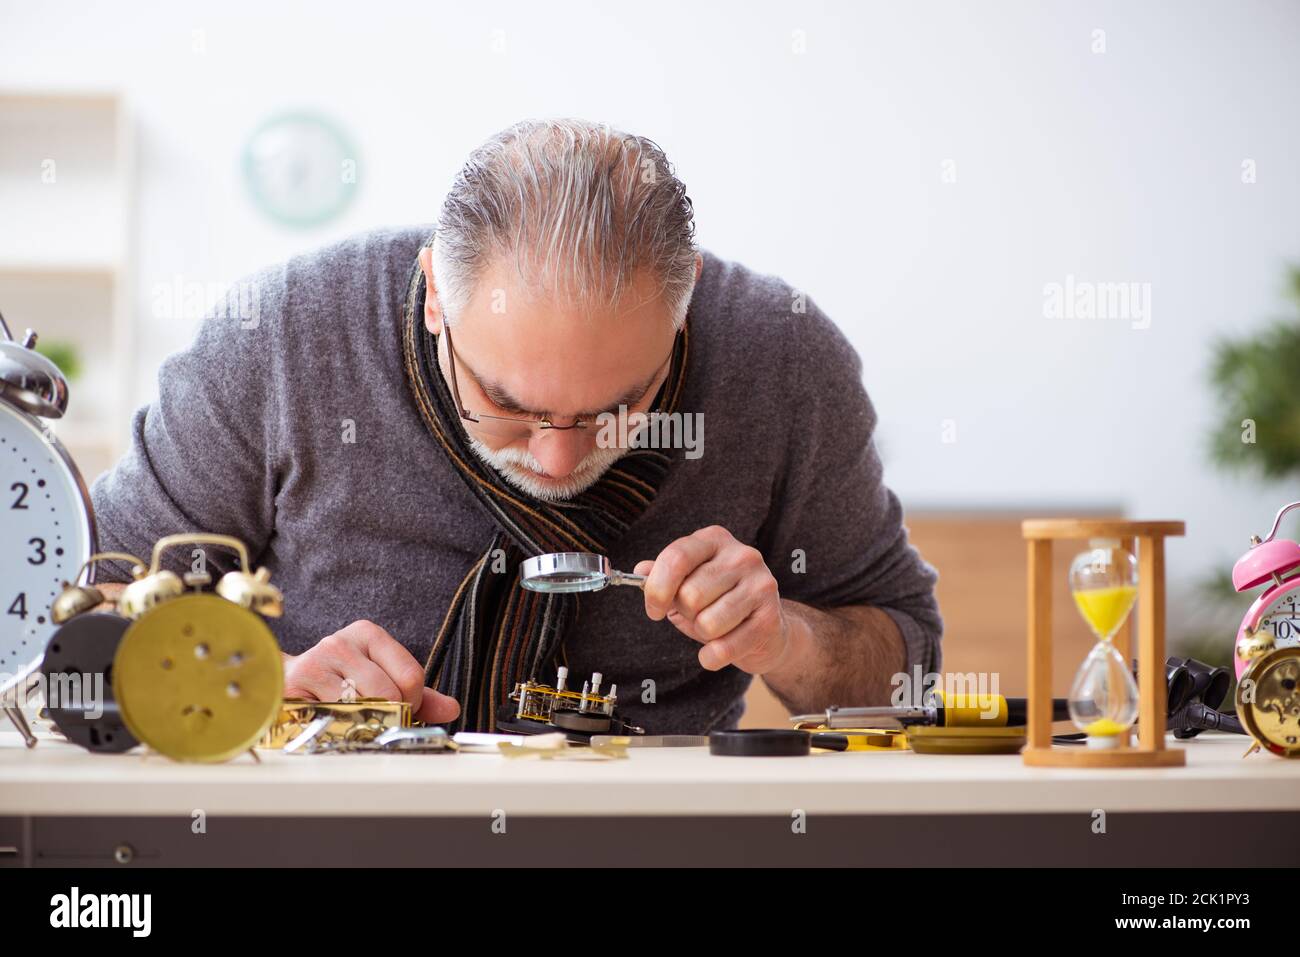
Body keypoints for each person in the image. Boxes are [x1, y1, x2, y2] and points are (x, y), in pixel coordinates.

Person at [90, 118, 942, 734]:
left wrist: (784, 637)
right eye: (508, 403)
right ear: (434, 295)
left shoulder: (782, 358)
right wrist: (252, 679)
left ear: (682, 316)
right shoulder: (283, 334)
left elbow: (909, 675)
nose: (560, 456)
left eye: (615, 409)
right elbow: (79, 617)